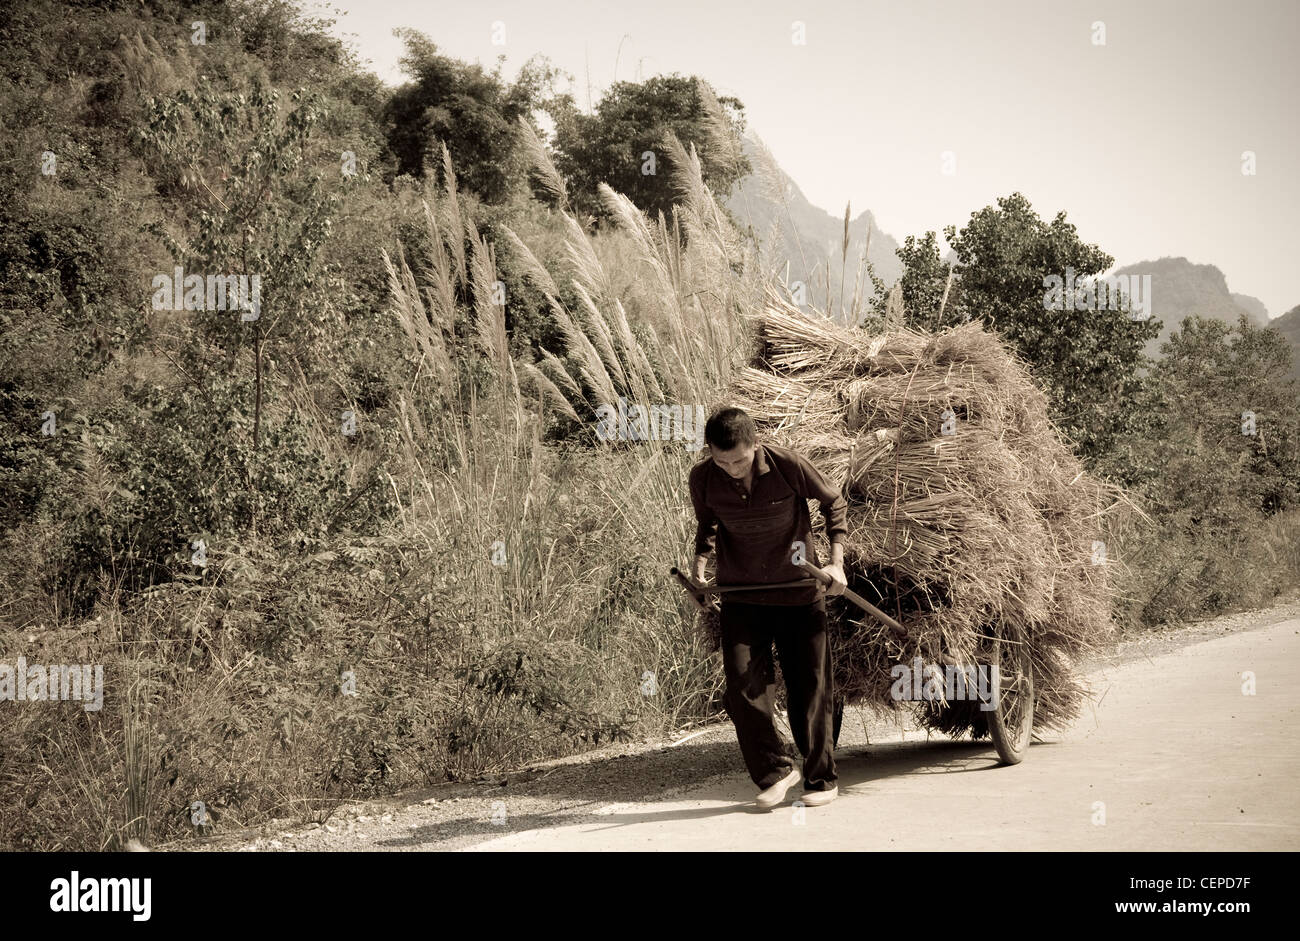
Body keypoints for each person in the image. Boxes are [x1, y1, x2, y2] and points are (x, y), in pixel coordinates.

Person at [688, 406, 848, 810]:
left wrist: (836, 564)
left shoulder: (786, 465)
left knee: (809, 688)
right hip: (742, 597)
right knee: (743, 689)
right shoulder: (704, 478)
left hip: (797, 593)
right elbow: (706, 528)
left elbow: (834, 503)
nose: (731, 470)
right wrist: (699, 573)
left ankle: (821, 778)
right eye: (721, 461)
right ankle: (776, 771)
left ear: (755, 446)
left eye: (739, 460)